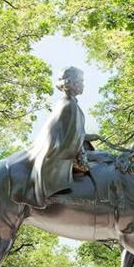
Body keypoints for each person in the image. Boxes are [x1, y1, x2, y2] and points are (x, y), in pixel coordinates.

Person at [24, 67, 92, 208]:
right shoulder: (68, 105)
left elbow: (73, 132)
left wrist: (88, 137)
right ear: (71, 83)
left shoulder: (70, 104)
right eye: (81, 81)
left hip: (71, 148)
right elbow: (69, 137)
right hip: (61, 153)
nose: (83, 85)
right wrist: (81, 151)